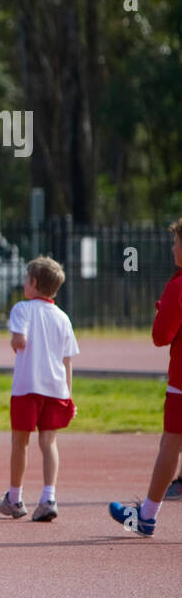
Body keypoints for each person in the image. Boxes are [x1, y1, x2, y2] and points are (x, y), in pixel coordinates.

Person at [110, 217, 182, 536]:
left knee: (170, 444)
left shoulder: (177, 286)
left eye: (177, 242)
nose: (172, 247)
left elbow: (160, 335)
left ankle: (147, 515)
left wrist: (161, 310)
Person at [0, 257, 78, 522]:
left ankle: (15, 496)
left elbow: (19, 340)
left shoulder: (22, 309)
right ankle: (48, 496)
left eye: (25, 279)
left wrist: (13, 341)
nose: (23, 283)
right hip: (56, 388)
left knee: (20, 442)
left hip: (27, 386)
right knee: (49, 442)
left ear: (33, 283)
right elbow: (67, 361)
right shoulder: (63, 317)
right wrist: (68, 395)